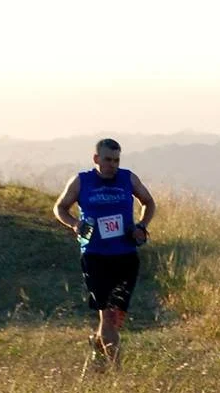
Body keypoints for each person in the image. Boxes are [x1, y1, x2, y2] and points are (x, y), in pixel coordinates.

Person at [52, 138, 157, 367]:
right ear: (96, 159)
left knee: (117, 316)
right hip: (95, 256)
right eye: (108, 160)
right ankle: (115, 371)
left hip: (126, 255)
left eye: (117, 160)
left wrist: (141, 226)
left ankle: (99, 344)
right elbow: (59, 208)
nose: (113, 165)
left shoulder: (128, 178)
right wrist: (74, 224)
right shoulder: (82, 181)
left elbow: (149, 202)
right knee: (107, 314)